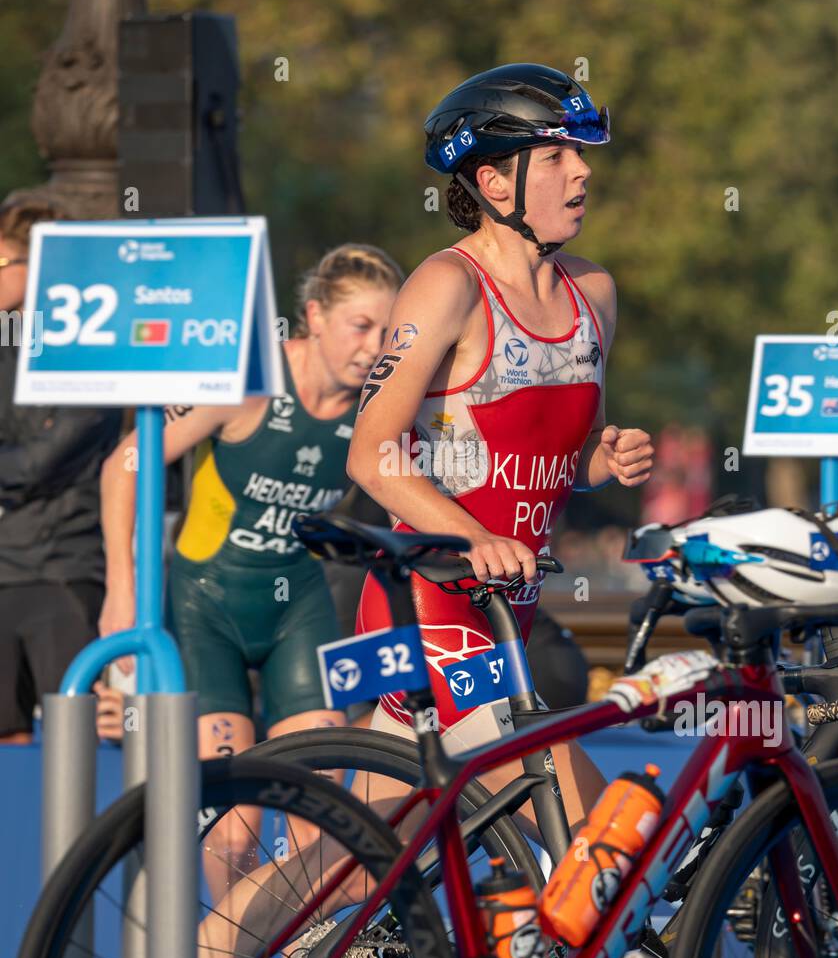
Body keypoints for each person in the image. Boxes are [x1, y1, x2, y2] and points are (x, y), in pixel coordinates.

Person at [348, 63, 655, 835]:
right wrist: (476, 536)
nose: (582, 171)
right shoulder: (446, 286)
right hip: (428, 596)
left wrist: (606, 459)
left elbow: (569, 451)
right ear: (494, 181)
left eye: (581, 154)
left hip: (508, 603)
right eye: (556, 156)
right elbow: (371, 454)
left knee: (354, 861)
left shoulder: (597, 293)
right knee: (597, 831)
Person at [99, 243, 403, 897]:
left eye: (388, 332)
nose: (375, 347)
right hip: (206, 608)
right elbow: (124, 465)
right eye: (361, 327)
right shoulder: (247, 385)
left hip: (298, 605)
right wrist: (123, 590)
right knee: (233, 833)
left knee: (320, 823)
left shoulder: (378, 406)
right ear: (315, 317)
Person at [0, 198, 122, 744]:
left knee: (74, 742)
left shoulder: (86, 352)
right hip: (4, 571)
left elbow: (40, 462)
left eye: (2, 265)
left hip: (64, 571)